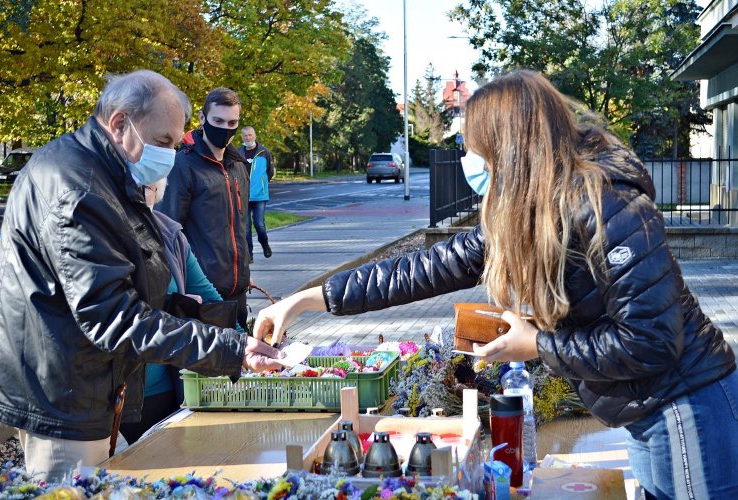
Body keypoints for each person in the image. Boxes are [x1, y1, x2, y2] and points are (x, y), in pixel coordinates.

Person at [253, 70, 738, 498]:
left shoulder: (607, 207)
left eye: (472, 146)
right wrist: (306, 300)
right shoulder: (525, 211)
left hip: (686, 406)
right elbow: (419, 270)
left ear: (508, 147)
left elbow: (651, 342)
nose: (467, 158)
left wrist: (539, 344)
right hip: (645, 411)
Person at [0, 70, 281, 482]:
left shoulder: (102, 171)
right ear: (120, 123)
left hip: (83, 380)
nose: (172, 154)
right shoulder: (78, 186)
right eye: (164, 142)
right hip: (61, 392)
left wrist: (197, 316)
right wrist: (230, 348)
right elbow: (112, 315)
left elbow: (128, 276)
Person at [119, 178, 236, 444]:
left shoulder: (170, 236)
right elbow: (5, 242)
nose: (136, 196)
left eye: (146, 188)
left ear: (157, 192)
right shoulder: (93, 233)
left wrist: (249, 343)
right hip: (103, 397)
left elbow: (210, 301)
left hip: (163, 391)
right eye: (128, 186)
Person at [155, 87, 251, 330]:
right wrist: (177, 290)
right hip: (203, 294)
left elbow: (241, 225)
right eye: (218, 120)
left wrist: (244, 272)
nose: (225, 129)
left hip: (238, 291)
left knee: (242, 364)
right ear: (202, 118)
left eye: (232, 122)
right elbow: (168, 231)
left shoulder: (238, 165)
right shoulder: (183, 165)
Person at [238, 126, 274, 262]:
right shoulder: (238, 153)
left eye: (250, 135)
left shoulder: (264, 152)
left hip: (260, 195)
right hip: (243, 195)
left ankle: (265, 245)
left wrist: (262, 183)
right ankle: (249, 255)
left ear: (255, 135)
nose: (248, 138)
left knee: (259, 224)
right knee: (246, 228)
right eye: (245, 135)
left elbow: (270, 171)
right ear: (242, 137)